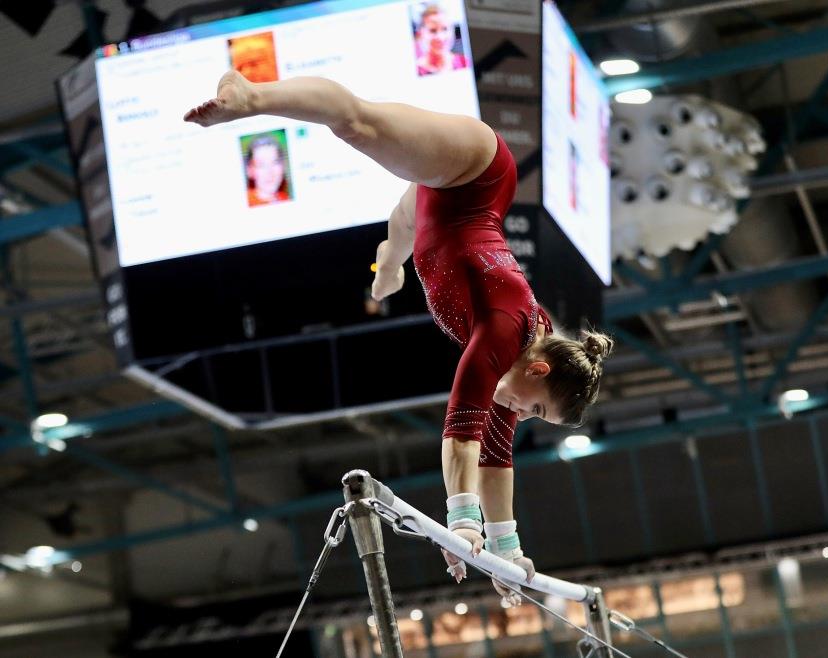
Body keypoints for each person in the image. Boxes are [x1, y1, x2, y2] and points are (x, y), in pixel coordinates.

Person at [184, 70, 613, 604]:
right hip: (472, 176)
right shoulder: (504, 335)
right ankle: (253, 95)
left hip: (430, 219)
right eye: (538, 410)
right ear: (540, 370)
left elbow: (496, 457)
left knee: (395, 252)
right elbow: (460, 433)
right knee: (356, 124)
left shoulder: (517, 369)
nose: (525, 416)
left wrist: (506, 547)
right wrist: (460, 523)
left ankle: (390, 264)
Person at [413, 4, 468, 76]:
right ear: (421, 33)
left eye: (445, 29)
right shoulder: (416, 71)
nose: (440, 37)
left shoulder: (465, 62)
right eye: (433, 30)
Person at [244, 134, 290, 206]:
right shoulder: (247, 202)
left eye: (275, 162)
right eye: (261, 165)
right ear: (250, 170)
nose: (270, 172)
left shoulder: (285, 197)